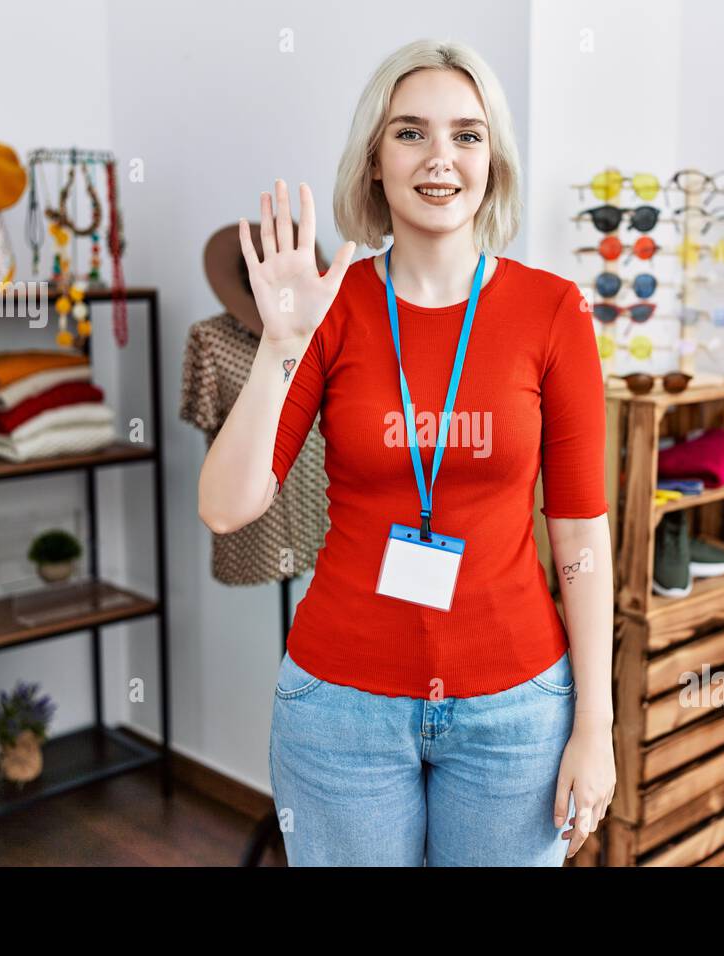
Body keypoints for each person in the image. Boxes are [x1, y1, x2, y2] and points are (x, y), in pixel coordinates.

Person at [198, 38, 614, 866]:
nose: (440, 158)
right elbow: (225, 504)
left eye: (466, 134)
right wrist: (283, 341)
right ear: (374, 160)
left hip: (515, 708)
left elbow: (579, 536)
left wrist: (595, 725)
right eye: (410, 132)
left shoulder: (552, 310)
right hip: (340, 707)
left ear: (492, 160)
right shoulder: (329, 306)